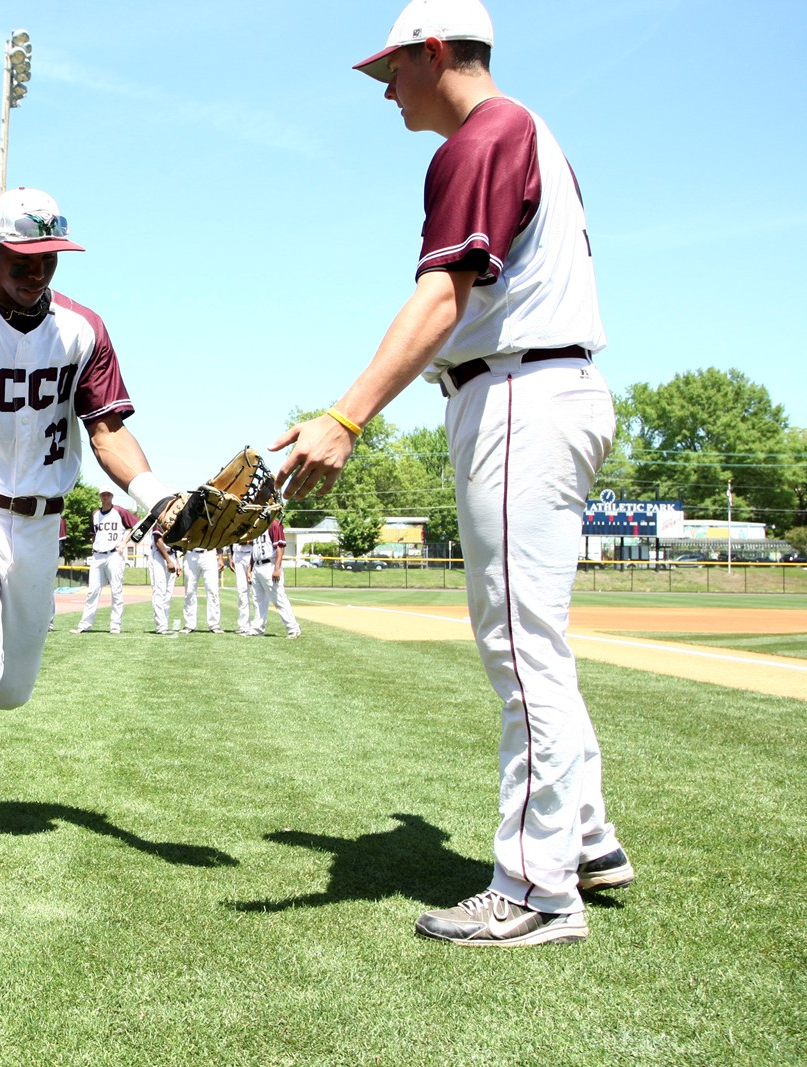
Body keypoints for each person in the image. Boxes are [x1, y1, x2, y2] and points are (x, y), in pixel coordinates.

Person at [273, 0, 630, 946]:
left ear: (436, 52)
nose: (384, 88)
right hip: (544, 385)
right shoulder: (528, 132)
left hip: (521, 391)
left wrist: (346, 415)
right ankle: (586, 835)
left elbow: (442, 294)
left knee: (519, 648)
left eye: (391, 68)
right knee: (536, 636)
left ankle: (534, 890)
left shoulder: (481, 135)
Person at [0, 186, 175, 889]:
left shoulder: (84, 328)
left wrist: (157, 497)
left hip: (41, 519)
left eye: (50, 256)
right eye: (24, 256)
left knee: (9, 687)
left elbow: (107, 432)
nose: (38, 270)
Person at [71, 489, 135, 634]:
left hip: (114, 555)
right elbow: (93, 533)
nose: (105, 497)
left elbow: (136, 525)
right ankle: (84, 625)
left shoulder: (119, 511)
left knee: (116, 590)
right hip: (98, 556)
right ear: (100, 497)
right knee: (92, 591)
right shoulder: (95, 514)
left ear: (112, 496)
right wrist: (94, 545)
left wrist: (124, 542)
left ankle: (115, 625)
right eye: (103, 494)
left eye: (108, 494)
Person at [249, 523, 300, 639]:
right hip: (257, 565)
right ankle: (258, 628)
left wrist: (277, 568)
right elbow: (254, 550)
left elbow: (280, 547)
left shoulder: (274, 524)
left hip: (269, 565)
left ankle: (293, 628)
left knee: (278, 599)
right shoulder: (256, 525)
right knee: (257, 599)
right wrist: (250, 568)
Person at [144, 523, 179, 634]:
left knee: (168, 593)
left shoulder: (177, 518)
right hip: (158, 555)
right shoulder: (160, 518)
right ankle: (161, 626)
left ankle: (165, 624)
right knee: (159, 590)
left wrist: (176, 561)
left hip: (171, 555)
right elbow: (158, 540)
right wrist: (169, 561)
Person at [180, 546, 224, 634]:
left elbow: (218, 537)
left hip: (209, 553)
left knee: (213, 590)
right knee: (189, 591)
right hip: (191, 553)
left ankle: (214, 624)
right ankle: (189, 624)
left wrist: (220, 557)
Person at [230, 541, 255, 636]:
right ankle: (244, 626)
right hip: (237, 555)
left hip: (250, 554)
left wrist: (247, 541)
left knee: (255, 592)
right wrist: (231, 555)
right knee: (242, 592)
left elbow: (258, 538)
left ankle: (257, 625)